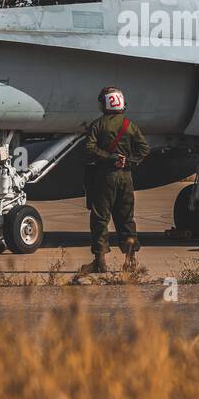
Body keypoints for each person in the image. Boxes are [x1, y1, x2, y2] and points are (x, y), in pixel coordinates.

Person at [82, 86, 149, 273]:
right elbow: (144, 149)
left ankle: (100, 262)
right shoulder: (130, 125)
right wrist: (128, 161)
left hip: (104, 177)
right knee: (126, 218)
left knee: (100, 218)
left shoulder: (97, 125)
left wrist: (110, 157)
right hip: (126, 177)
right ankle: (130, 260)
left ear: (104, 104)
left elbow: (89, 149)